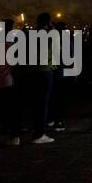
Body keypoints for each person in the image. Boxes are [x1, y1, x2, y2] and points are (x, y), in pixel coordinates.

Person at [28, 13, 58, 144]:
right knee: (43, 102)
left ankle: (35, 129)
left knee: (35, 102)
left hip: (32, 70)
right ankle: (39, 134)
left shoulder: (31, 33)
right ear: (49, 22)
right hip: (45, 69)